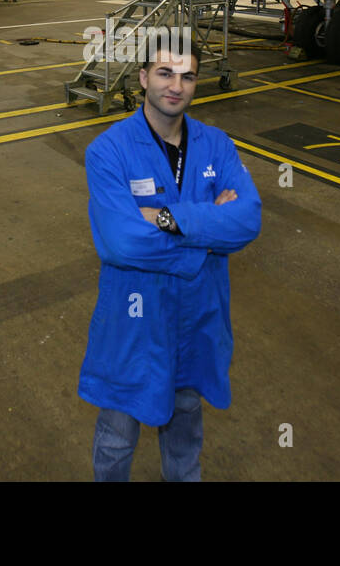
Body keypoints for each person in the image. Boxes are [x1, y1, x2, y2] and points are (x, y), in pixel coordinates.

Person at [79, 33, 262, 481]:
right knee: (117, 435)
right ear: (143, 78)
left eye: (187, 76)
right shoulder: (108, 151)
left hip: (195, 319)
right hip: (135, 322)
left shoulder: (217, 145)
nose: (175, 86)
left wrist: (166, 217)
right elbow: (122, 241)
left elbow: (247, 220)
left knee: (185, 434)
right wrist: (204, 236)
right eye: (164, 73)